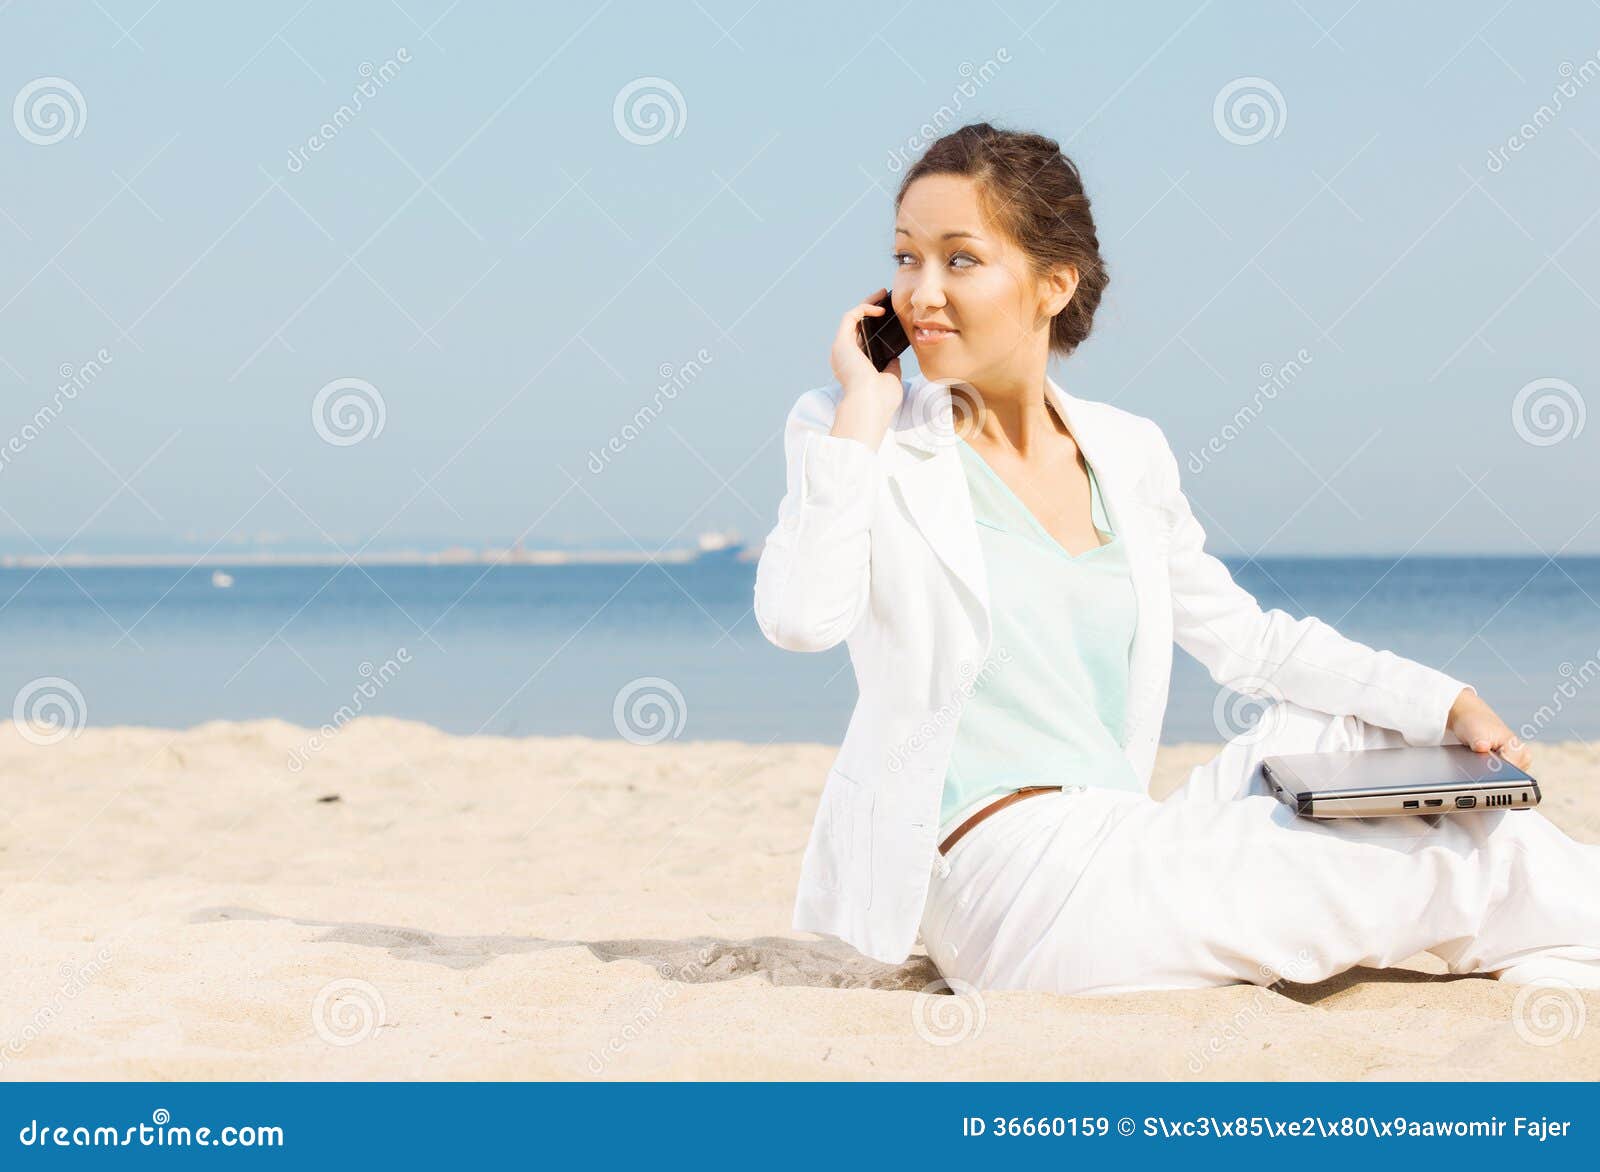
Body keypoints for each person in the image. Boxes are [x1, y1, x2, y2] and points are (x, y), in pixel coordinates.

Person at [752, 121, 1600, 995]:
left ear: (1053, 284)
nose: (921, 293)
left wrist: (1443, 700)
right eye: (905, 258)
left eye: (959, 260)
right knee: (1427, 867)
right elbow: (800, 619)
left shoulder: (1127, 451)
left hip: (1124, 836)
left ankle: (1556, 943)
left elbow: (1253, 645)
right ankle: (1559, 935)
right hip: (1007, 879)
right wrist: (862, 407)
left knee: (1379, 751)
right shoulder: (856, 432)